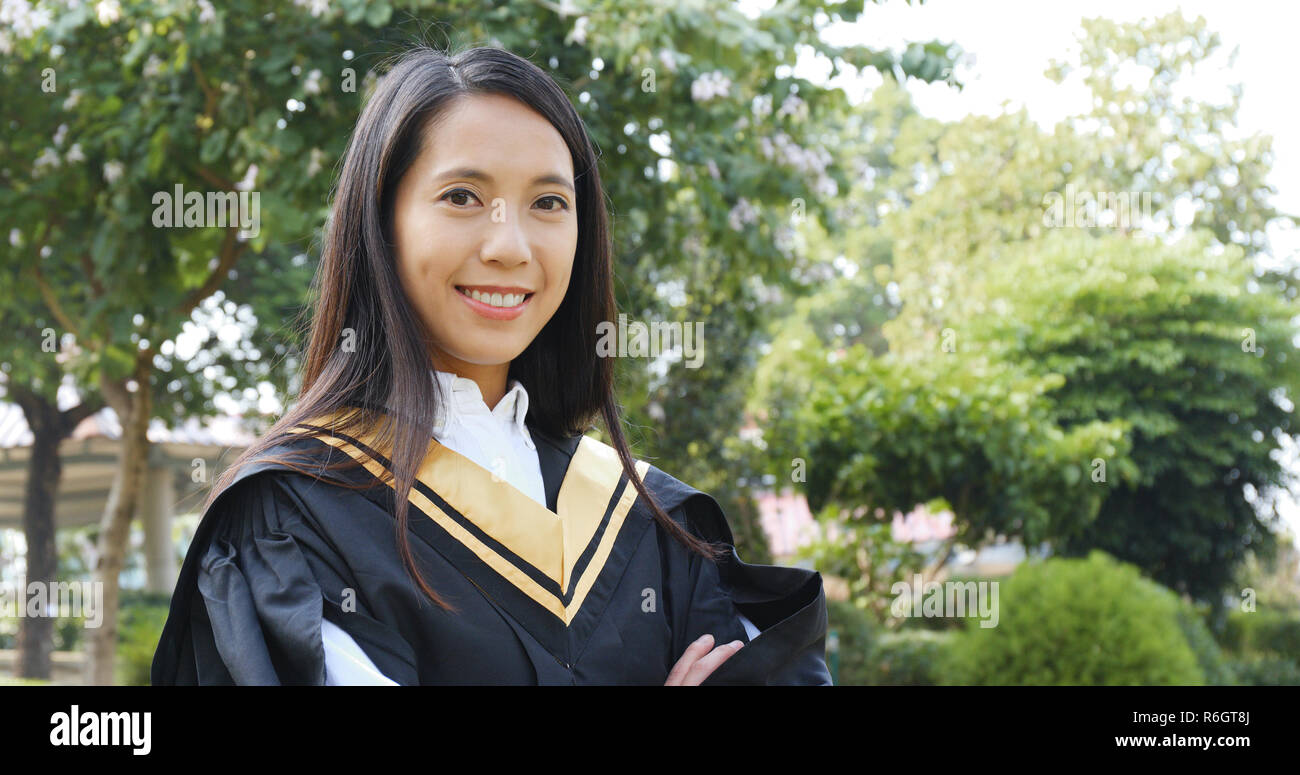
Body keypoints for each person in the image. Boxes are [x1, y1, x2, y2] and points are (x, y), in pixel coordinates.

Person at [151, 44, 832, 686]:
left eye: (548, 203)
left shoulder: (651, 521)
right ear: (380, 222)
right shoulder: (294, 520)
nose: (510, 245)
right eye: (462, 197)